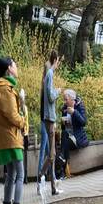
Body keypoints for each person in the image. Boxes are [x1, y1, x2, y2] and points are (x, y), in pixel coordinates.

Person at [0, 56, 30, 204]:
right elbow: (12, 116)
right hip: (11, 138)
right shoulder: (5, 89)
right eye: (15, 65)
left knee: (11, 175)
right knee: (20, 175)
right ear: (8, 70)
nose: (17, 67)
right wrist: (23, 120)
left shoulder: (0, 87)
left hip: (5, 138)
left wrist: (21, 101)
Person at [38, 52, 61, 196]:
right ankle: (40, 176)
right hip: (49, 119)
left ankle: (53, 188)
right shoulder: (50, 74)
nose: (58, 64)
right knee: (51, 155)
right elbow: (51, 97)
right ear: (55, 60)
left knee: (52, 154)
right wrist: (58, 91)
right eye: (58, 61)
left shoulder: (48, 75)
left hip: (49, 117)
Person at [57, 89, 89, 178]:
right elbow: (63, 128)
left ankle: (62, 169)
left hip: (77, 137)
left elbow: (83, 122)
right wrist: (63, 122)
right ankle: (63, 160)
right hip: (68, 137)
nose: (65, 102)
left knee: (64, 143)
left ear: (72, 99)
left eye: (66, 99)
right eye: (64, 99)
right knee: (64, 136)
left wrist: (74, 112)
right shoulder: (64, 108)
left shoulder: (79, 106)